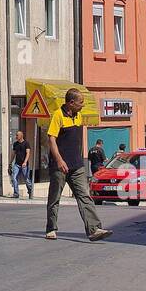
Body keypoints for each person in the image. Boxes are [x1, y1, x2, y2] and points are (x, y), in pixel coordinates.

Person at [45, 89, 112, 242]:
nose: (82, 105)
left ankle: (94, 230)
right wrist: (59, 160)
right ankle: (51, 229)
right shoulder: (58, 115)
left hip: (77, 165)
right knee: (54, 198)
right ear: (71, 103)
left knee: (85, 196)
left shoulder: (79, 116)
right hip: (59, 166)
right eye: (80, 102)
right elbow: (51, 139)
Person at [11, 129, 33, 200]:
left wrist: (25, 162)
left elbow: (28, 153)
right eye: (16, 135)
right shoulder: (15, 144)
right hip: (17, 164)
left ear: (21, 136)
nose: (16, 136)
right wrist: (10, 162)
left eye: (17, 135)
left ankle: (30, 191)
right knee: (14, 178)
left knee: (26, 179)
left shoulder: (26, 143)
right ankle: (16, 193)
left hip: (24, 165)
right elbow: (13, 154)